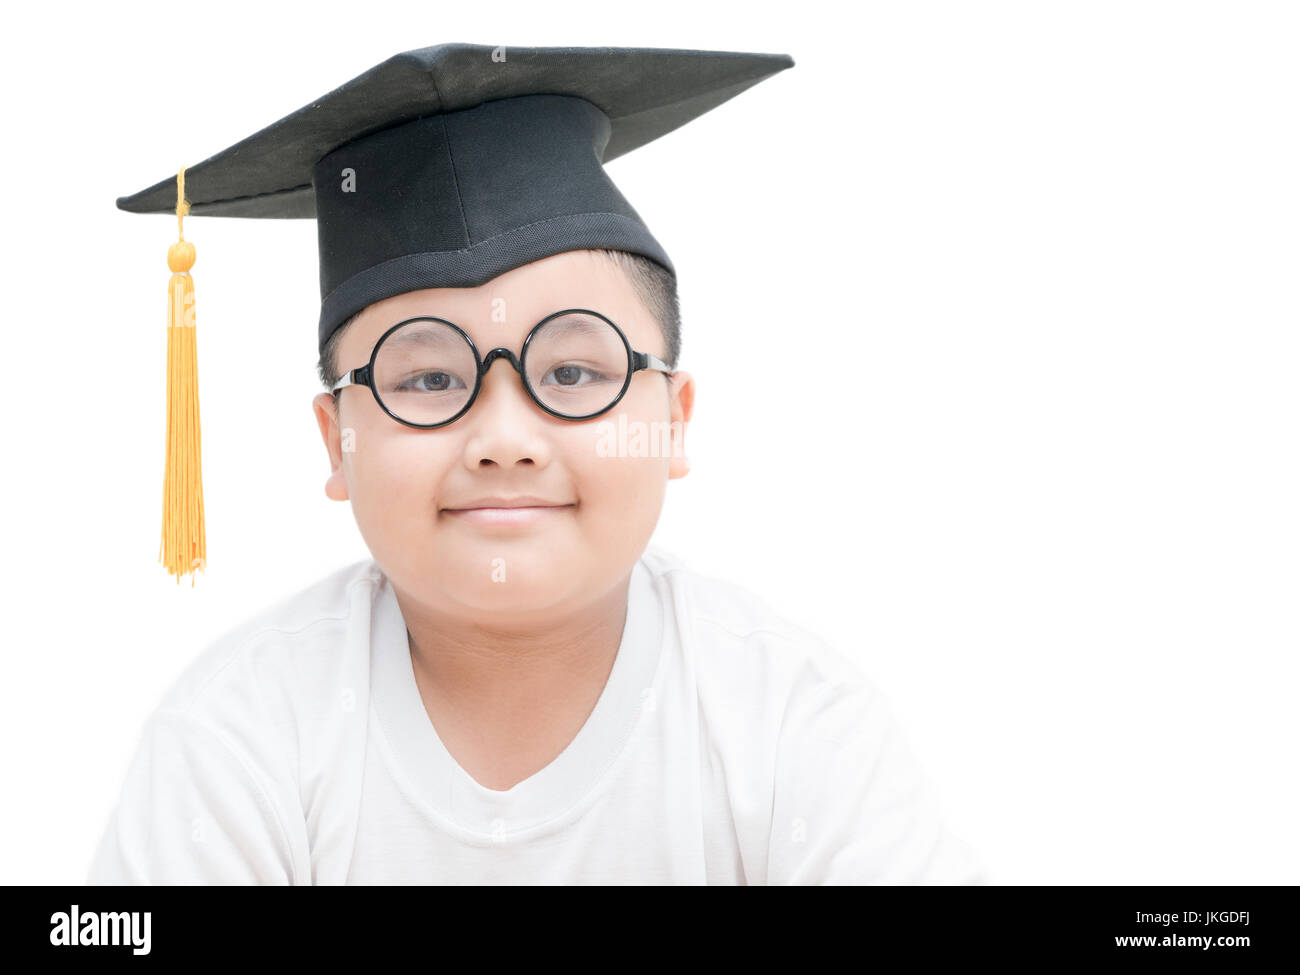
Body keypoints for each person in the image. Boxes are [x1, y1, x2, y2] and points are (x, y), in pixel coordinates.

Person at [88, 42, 986, 885]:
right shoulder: (235, 740)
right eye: (431, 376)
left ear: (673, 421)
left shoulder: (793, 724)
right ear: (337, 441)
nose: (504, 435)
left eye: (571, 371)